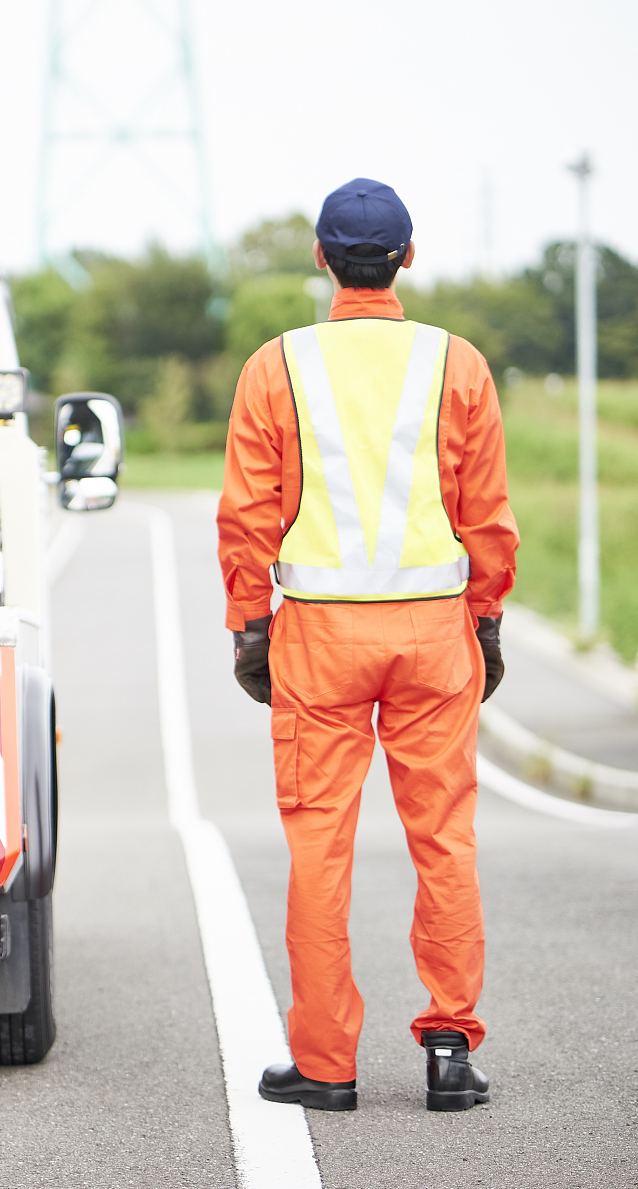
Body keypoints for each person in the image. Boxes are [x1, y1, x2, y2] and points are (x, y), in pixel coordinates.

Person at [216, 178, 520, 1113]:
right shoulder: (455, 363)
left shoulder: (279, 365)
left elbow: (246, 515)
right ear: (408, 257)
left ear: (321, 258)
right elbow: (489, 514)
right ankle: (448, 1050)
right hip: (434, 631)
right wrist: (489, 617)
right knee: (445, 839)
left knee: (320, 845)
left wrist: (249, 625)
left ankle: (325, 1063)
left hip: (318, 636)